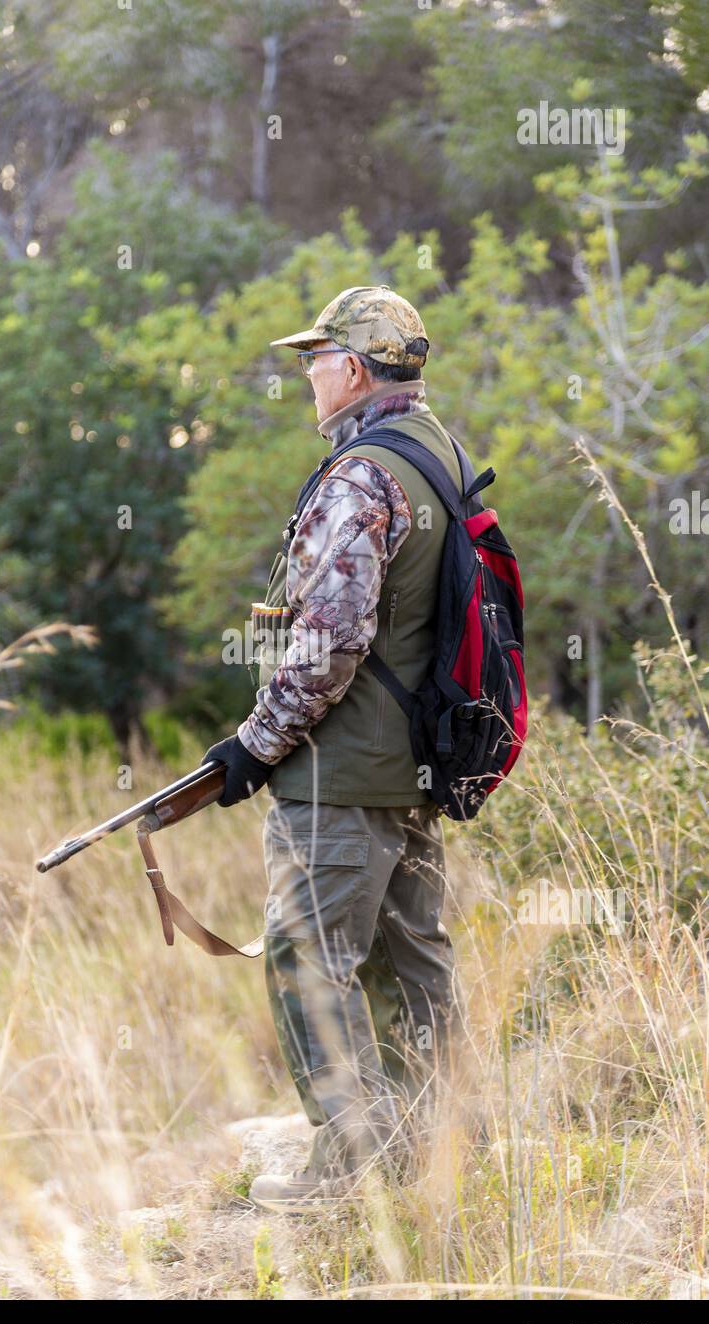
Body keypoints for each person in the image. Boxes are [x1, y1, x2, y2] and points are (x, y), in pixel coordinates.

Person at [204, 285, 467, 1211]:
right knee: (413, 963)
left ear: (351, 369)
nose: (307, 373)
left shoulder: (362, 474)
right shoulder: (439, 452)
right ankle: (429, 1158)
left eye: (314, 357)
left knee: (309, 961)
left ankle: (353, 1169)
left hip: (342, 774)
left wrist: (254, 746)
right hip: (418, 769)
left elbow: (328, 643)